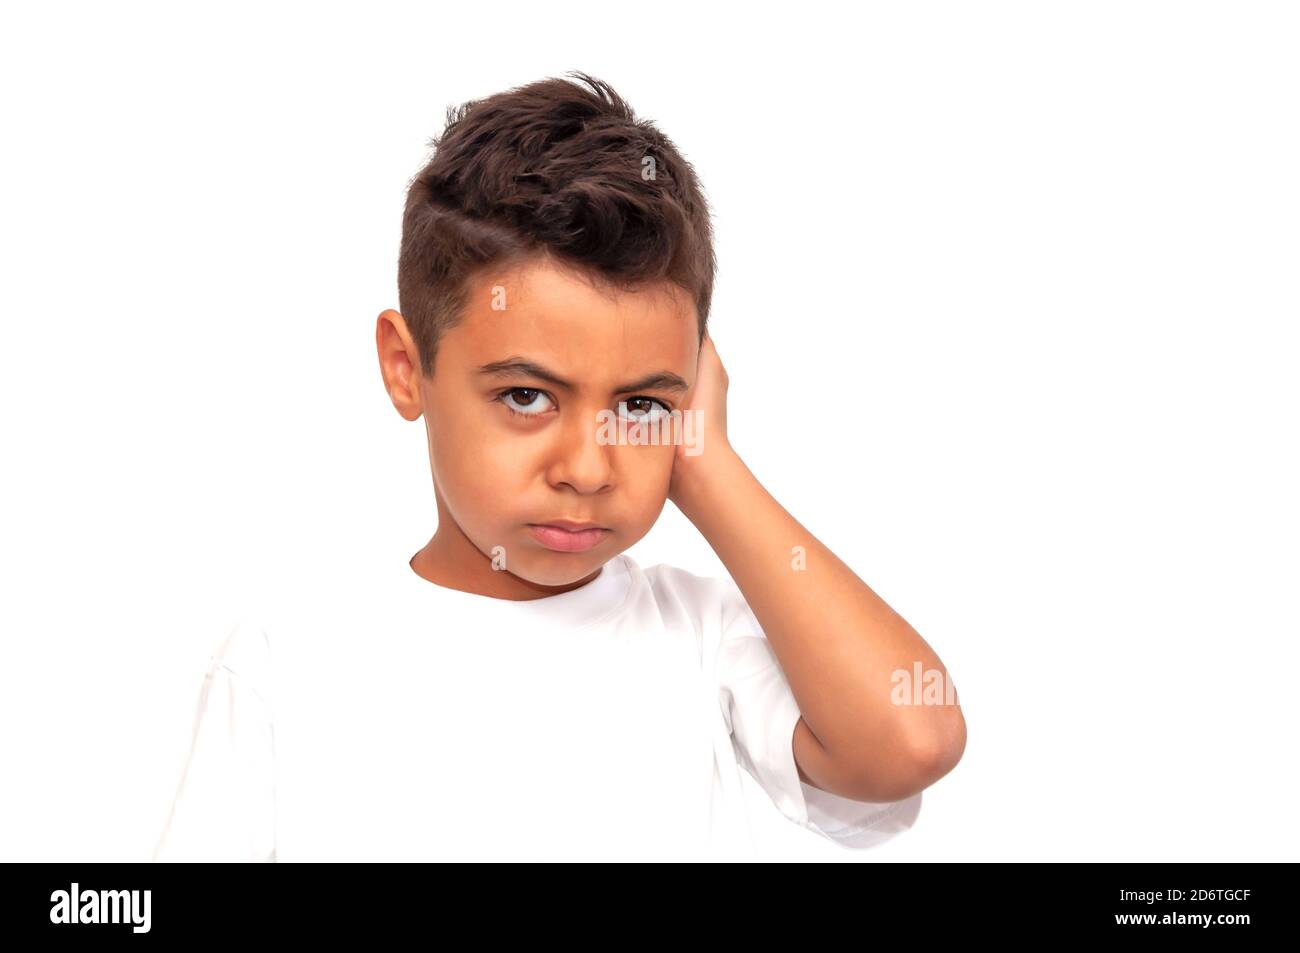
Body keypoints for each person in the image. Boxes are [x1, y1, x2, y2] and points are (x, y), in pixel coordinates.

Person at [153, 71, 963, 862]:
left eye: (641, 406)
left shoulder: (703, 635)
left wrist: (708, 466)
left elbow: (912, 735)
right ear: (407, 367)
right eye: (528, 396)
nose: (586, 467)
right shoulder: (289, 660)